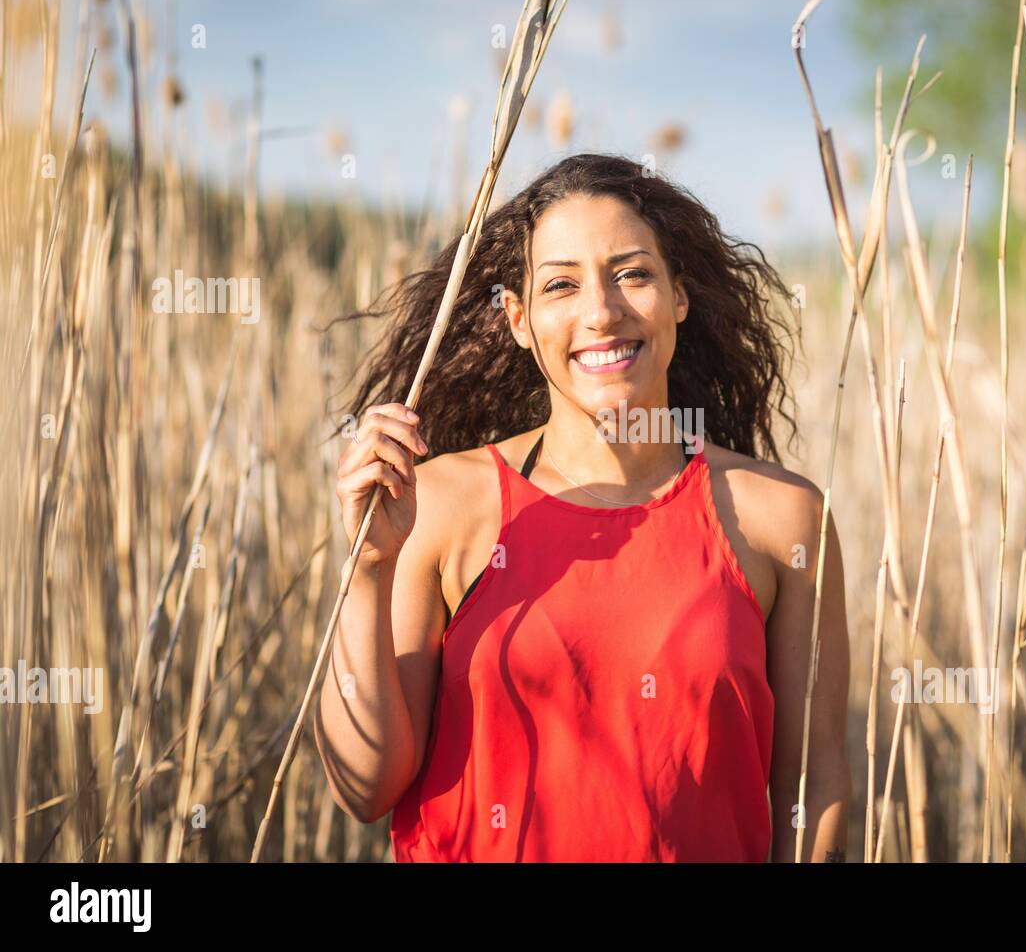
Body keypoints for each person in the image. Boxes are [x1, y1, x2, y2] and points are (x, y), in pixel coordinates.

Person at [316, 153, 851, 862]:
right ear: (518, 320)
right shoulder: (440, 503)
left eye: (632, 274)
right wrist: (367, 572)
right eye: (561, 285)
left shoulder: (782, 519)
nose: (601, 312)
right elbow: (364, 786)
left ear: (679, 296)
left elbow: (810, 786)